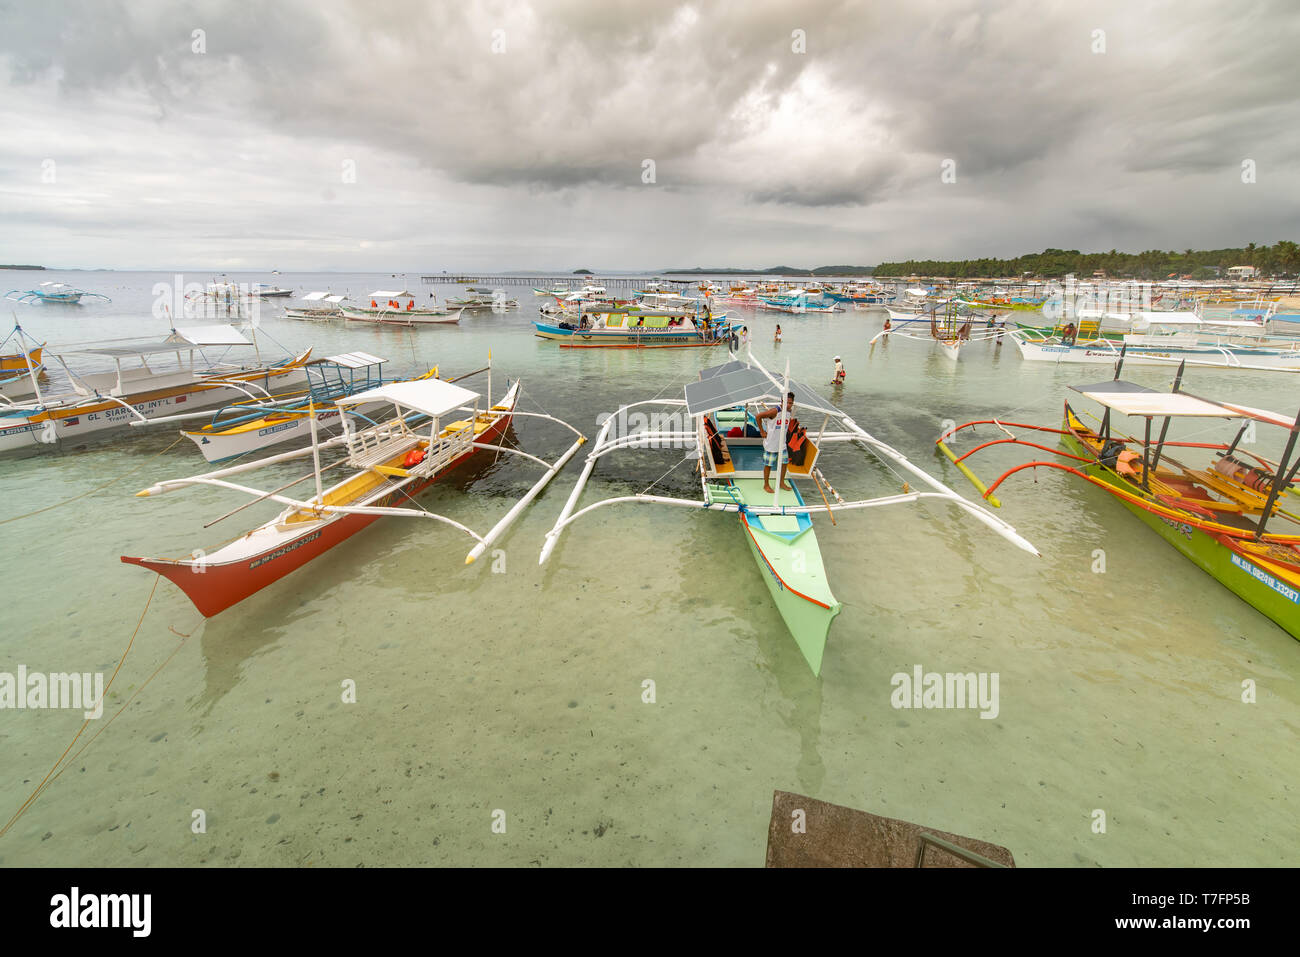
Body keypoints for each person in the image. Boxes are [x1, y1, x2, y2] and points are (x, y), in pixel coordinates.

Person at [756, 392, 796, 494]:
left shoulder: (789, 411)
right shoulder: (775, 411)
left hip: (782, 444)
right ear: (782, 401)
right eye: (787, 402)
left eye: (791, 403)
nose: (789, 405)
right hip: (771, 444)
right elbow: (758, 416)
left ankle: (781, 482)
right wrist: (762, 431)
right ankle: (766, 484)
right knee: (768, 465)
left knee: (784, 463)